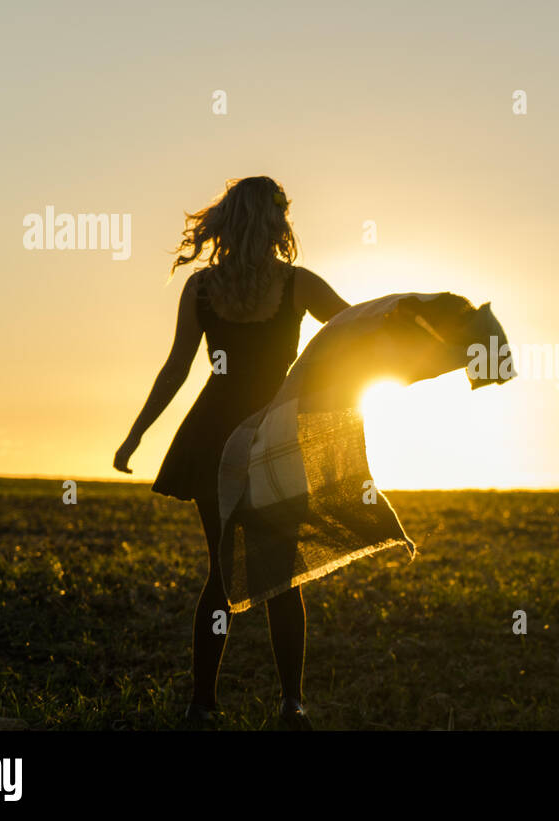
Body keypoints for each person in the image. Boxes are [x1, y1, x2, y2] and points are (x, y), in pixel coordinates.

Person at [113, 176, 349, 729]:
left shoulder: (202, 288)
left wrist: (137, 433)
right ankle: (292, 704)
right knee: (280, 577)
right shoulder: (299, 285)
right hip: (271, 433)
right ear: (274, 222)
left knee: (221, 575)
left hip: (214, 434)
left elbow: (178, 368)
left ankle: (203, 706)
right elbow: (355, 331)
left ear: (226, 221)